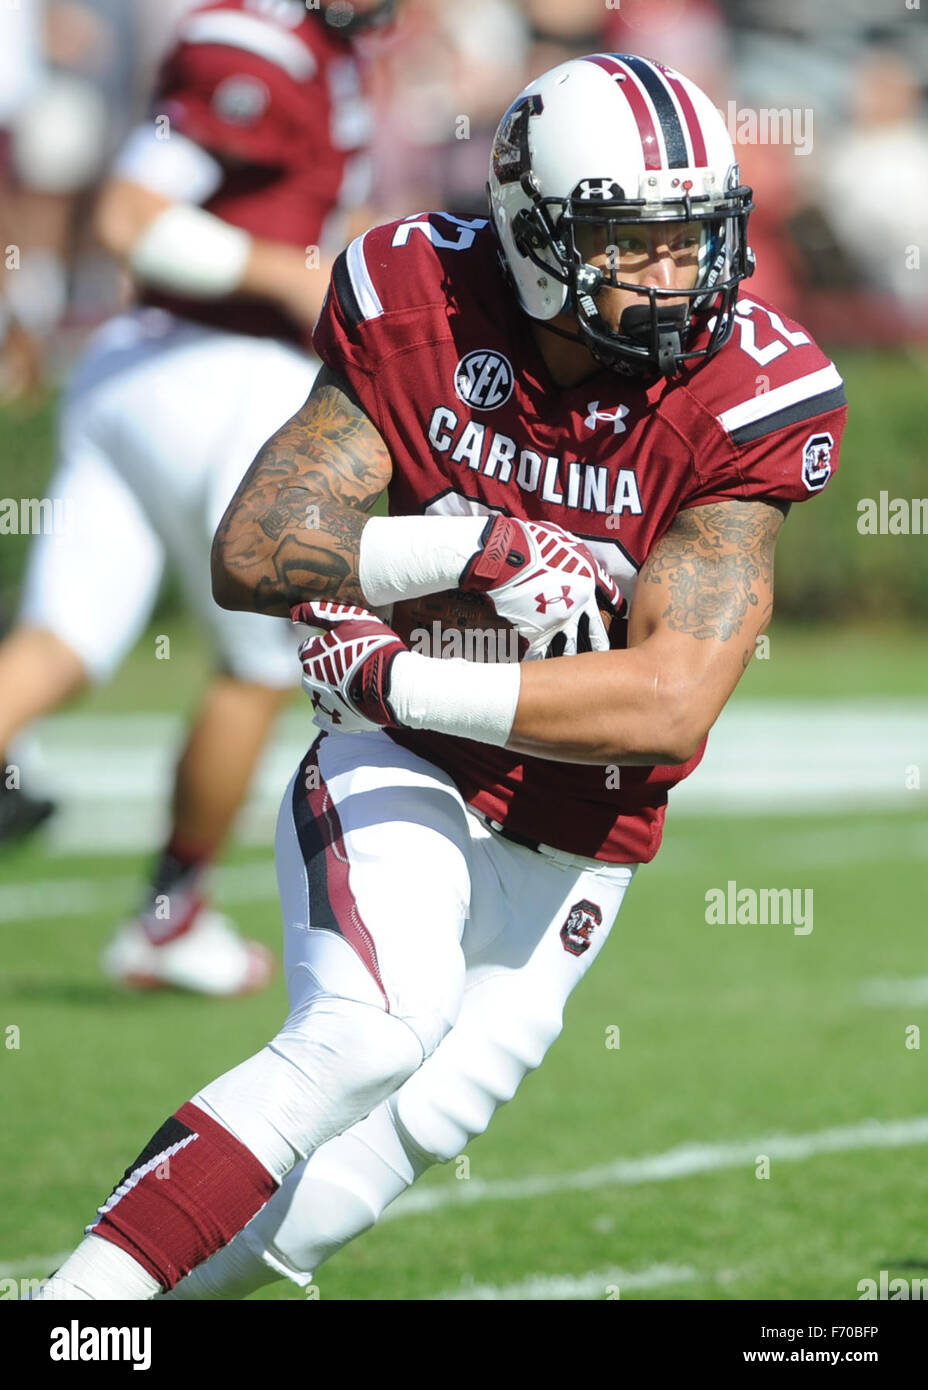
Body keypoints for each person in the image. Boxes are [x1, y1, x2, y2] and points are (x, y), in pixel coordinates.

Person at [34, 52, 846, 1299]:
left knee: (340, 1193)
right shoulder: (420, 294)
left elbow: (669, 698)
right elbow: (253, 546)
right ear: (532, 235)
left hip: (572, 816)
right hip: (401, 766)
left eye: (696, 239)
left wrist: (398, 676)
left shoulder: (747, 394)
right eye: (632, 242)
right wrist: (458, 545)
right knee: (364, 1031)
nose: (679, 277)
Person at [0, 0, 397, 995]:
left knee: (63, 643)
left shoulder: (320, 44)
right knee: (264, 660)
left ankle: (173, 920)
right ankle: (171, 915)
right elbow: (131, 216)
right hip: (222, 375)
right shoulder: (253, 41)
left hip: (140, 373)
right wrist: (289, 274)